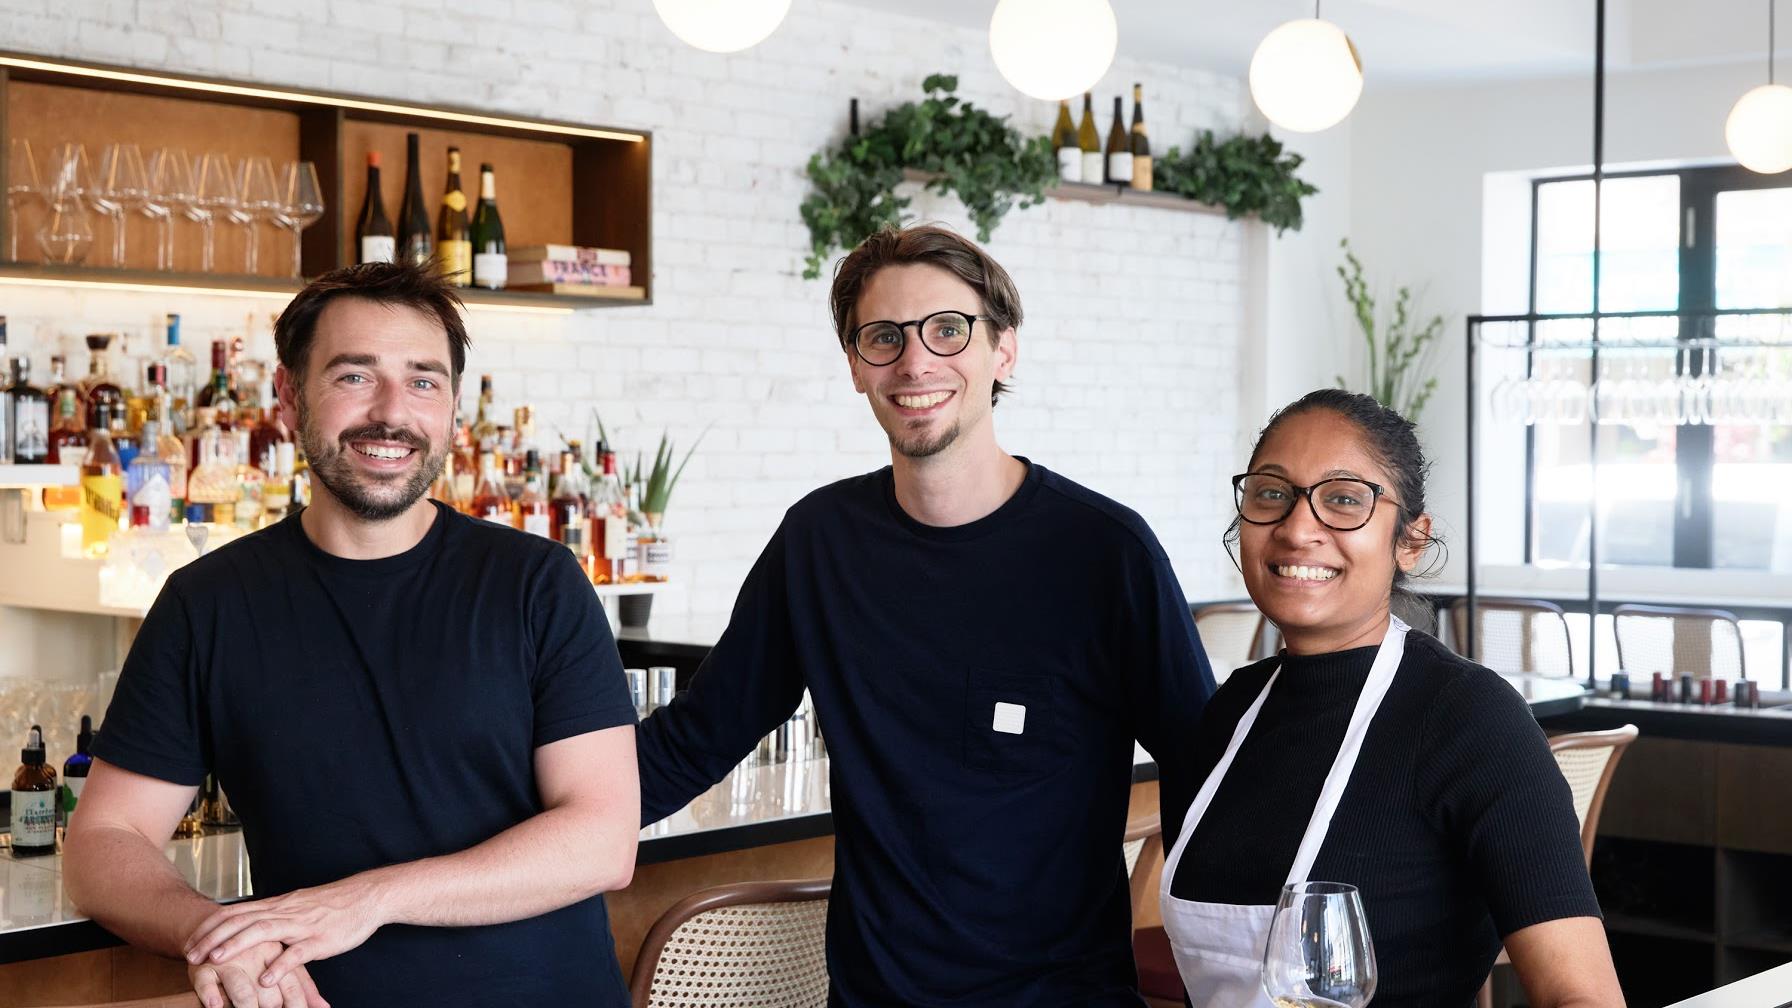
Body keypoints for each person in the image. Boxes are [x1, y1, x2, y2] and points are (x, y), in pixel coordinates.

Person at [636, 223, 1215, 1005]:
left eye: (949, 330)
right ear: (855, 366)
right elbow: (692, 742)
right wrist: (501, 816)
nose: (915, 362)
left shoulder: (1105, 553)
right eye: (884, 337)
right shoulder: (820, 543)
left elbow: (1204, 776)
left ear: (1002, 351)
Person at [64, 262, 640, 1008]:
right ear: (289, 394)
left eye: (424, 381)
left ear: (455, 410)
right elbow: (105, 841)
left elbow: (602, 838)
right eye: (354, 376)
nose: (392, 413)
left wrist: (364, 900)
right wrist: (214, 934)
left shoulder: (537, 584)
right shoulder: (208, 603)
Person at [1160, 388, 1623, 1007]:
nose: (1298, 529)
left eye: (1344, 501)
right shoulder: (1226, 717)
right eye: (1271, 494)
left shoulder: (1470, 720)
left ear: (1410, 541)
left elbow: (1582, 997)